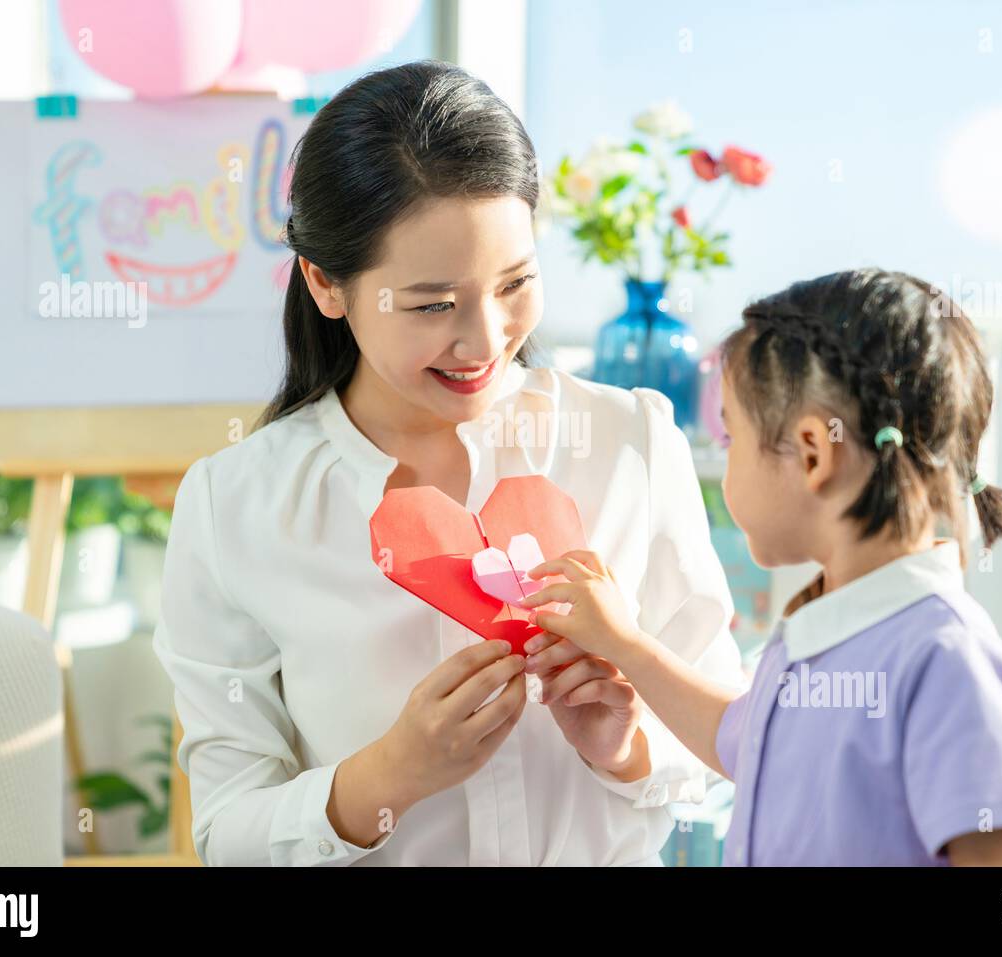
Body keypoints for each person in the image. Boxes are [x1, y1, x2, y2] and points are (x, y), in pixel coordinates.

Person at [152, 60, 745, 866]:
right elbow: (227, 834)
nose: (486, 340)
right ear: (327, 282)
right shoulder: (238, 507)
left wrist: (625, 746)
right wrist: (389, 774)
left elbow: (733, 746)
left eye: (516, 283)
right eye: (433, 304)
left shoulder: (629, 442)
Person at [520, 268, 1002, 865]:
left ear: (813, 452)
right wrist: (624, 645)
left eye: (731, 441)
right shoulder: (817, 634)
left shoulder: (947, 660)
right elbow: (741, 741)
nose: (724, 462)